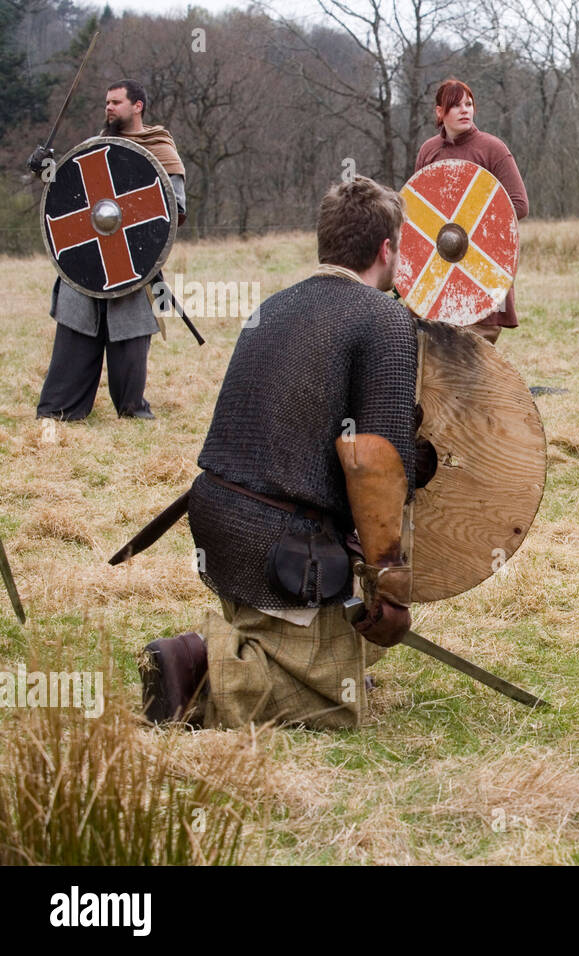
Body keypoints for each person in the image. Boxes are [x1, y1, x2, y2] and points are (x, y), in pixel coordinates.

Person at [138, 176, 434, 730]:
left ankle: (233, 645)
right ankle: (198, 668)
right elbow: (376, 463)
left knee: (323, 652)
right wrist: (390, 589)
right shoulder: (385, 318)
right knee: (341, 705)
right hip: (285, 547)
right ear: (386, 249)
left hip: (217, 519)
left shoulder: (273, 306)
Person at [31, 79, 187, 421]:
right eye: (107, 102)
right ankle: (60, 409)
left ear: (138, 106)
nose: (109, 108)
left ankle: (132, 408)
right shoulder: (93, 148)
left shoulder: (160, 151)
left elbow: (174, 210)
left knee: (129, 345)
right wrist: (45, 169)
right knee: (75, 333)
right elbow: (67, 193)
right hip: (87, 262)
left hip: (131, 263)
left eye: (116, 102)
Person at [413, 77, 529, 344]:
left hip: (480, 263)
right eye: (455, 105)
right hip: (438, 262)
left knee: (473, 351)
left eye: (469, 103)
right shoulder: (429, 151)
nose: (465, 110)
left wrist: (471, 222)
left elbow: (519, 204)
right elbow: (417, 209)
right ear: (440, 112)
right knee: (433, 350)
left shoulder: (492, 148)